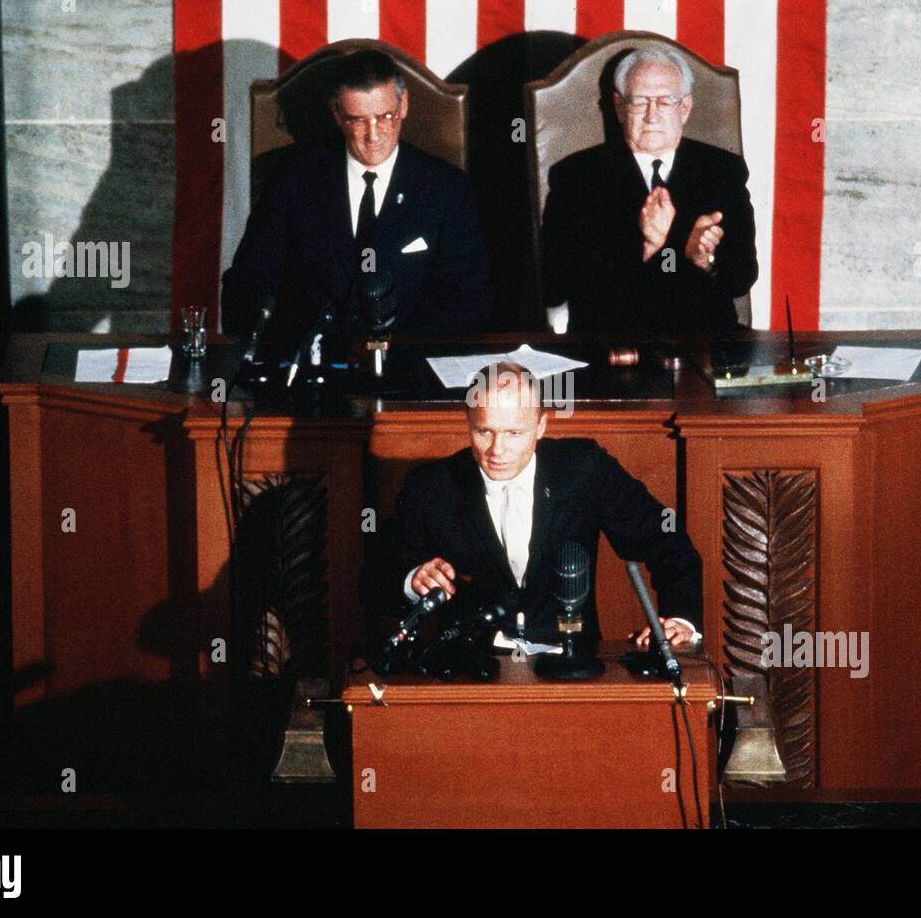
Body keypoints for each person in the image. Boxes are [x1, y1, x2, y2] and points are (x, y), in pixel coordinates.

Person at [372, 361, 703, 648]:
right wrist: (412, 579)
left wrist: (680, 621)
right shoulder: (431, 486)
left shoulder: (584, 468)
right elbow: (374, 578)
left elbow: (668, 541)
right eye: (484, 431)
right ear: (468, 422)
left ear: (541, 425)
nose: (496, 450)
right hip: (471, 668)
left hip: (571, 663)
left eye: (514, 433)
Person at [220, 49, 491, 350]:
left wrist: (393, 349)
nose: (373, 135)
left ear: (403, 106)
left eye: (385, 117)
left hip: (409, 370)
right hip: (312, 371)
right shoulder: (294, 182)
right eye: (358, 120)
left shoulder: (447, 189)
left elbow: (470, 304)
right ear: (337, 114)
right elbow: (245, 291)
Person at [541, 46, 758, 335]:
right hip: (611, 342)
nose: (651, 117)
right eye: (640, 102)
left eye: (666, 101)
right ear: (619, 107)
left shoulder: (722, 170)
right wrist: (647, 246)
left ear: (684, 108)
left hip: (705, 341)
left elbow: (741, 277)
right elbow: (555, 286)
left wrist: (705, 260)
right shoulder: (577, 176)